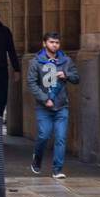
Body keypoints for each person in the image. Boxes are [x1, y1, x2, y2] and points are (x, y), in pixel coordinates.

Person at [26, 31, 80, 179]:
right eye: (51, 42)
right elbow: (31, 83)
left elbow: (76, 78)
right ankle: (37, 158)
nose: (54, 45)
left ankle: (57, 169)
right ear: (44, 43)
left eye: (57, 43)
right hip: (43, 107)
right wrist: (44, 98)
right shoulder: (36, 62)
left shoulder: (66, 61)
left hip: (61, 106)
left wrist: (66, 75)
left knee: (61, 138)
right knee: (43, 135)